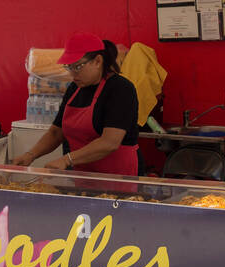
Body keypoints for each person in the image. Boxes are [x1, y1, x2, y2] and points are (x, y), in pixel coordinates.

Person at [11, 31, 140, 175]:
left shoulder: (120, 88)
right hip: (82, 174)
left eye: (77, 67)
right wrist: (30, 155)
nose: (72, 74)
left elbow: (110, 142)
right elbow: (56, 132)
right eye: (69, 67)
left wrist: (66, 160)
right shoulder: (74, 88)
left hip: (116, 176)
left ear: (98, 61)